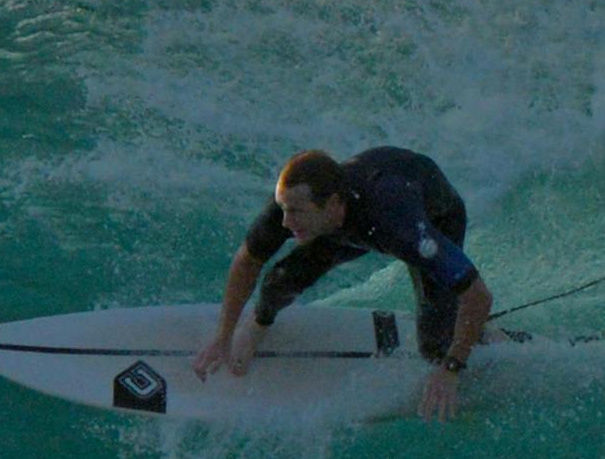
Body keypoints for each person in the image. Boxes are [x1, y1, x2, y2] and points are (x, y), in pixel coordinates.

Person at [201, 144, 489, 420]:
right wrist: (223, 337)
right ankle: (258, 325)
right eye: (283, 209)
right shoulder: (295, 203)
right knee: (280, 281)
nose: (286, 222)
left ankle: (476, 336)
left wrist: (451, 368)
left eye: (296, 212)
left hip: (433, 218)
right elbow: (248, 261)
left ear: (333, 203)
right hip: (348, 225)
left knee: (434, 349)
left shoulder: (398, 224)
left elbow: (478, 295)